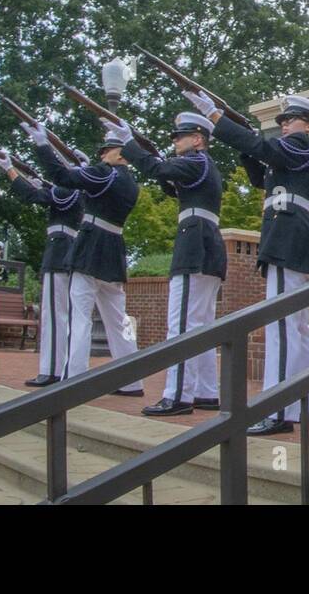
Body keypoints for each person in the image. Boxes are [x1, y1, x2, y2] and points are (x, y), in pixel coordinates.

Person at [191, 93, 309, 436]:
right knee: (296, 326)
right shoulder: (292, 154)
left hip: (288, 235)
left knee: (281, 325)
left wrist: (216, 118)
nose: (284, 125)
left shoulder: (303, 144)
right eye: (282, 121)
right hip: (288, 235)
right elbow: (259, 171)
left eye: (290, 119)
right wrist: (241, 133)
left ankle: (277, 409)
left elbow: (265, 150)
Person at [24, 121, 145, 396]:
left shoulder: (107, 174)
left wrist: (43, 145)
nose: (102, 155)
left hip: (91, 248)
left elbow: (62, 178)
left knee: (80, 318)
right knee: (119, 321)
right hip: (114, 249)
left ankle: (74, 380)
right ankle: (132, 380)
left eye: (108, 150)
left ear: (122, 154)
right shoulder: (130, 183)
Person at [118, 111, 225, 416]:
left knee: (181, 324)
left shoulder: (197, 161)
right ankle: (205, 392)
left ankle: (178, 396)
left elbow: (159, 169)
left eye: (181, 136)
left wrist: (128, 143)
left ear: (198, 139)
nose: (176, 141)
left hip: (195, 246)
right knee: (201, 325)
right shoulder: (201, 167)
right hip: (207, 246)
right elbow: (168, 178)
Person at [0, 152, 83, 387]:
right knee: (60, 315)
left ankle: (51, 371)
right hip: (66, 250)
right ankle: (58, 368)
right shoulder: (75, 191)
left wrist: (10, 170)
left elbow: (34, 196)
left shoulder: (70, 190)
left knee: (53, 317)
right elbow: (45, 193)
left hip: (59, 251)